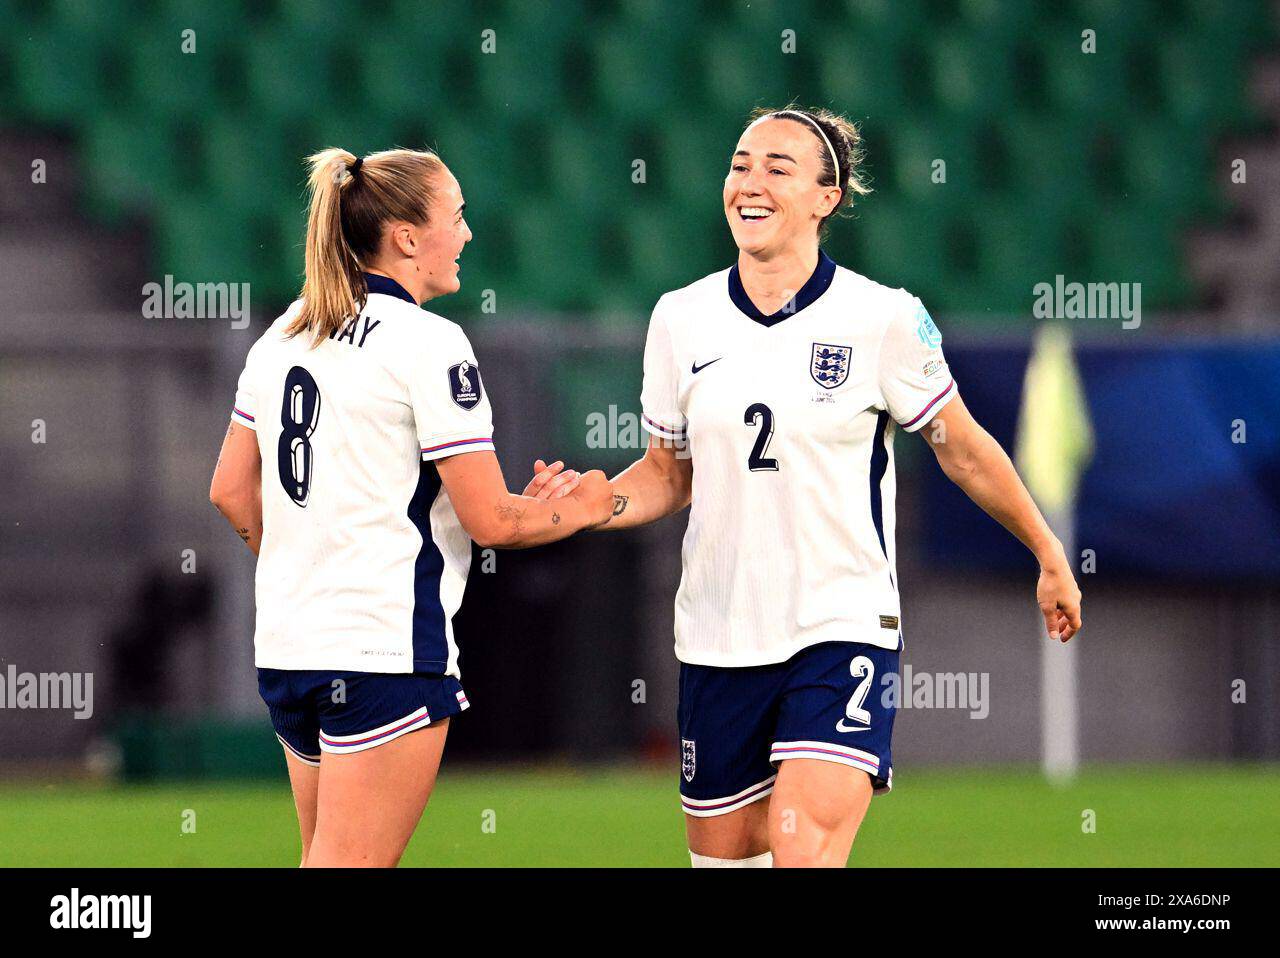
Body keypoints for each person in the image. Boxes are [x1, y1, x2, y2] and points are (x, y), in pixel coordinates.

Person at [539, 106, 1082, 867]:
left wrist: (1047, 550)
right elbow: (669, 473)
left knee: (802, 843)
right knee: (728, 859)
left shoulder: (884, 318)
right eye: (739, 164)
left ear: (827, 197)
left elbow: (961, 448)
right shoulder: (680, 319)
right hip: (719, 636)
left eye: (777, 168)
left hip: (839, 626)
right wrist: (596, 504)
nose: (748, 183)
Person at [209, 147, 613, 867]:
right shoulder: (430, 343)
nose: (466, 234)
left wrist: (313, 567)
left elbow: (230, 492)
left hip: (291, 645)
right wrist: (582, 508)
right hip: (385, 651)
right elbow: (491, 522)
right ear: (404, 236)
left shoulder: (287, 329)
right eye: (456, 217)